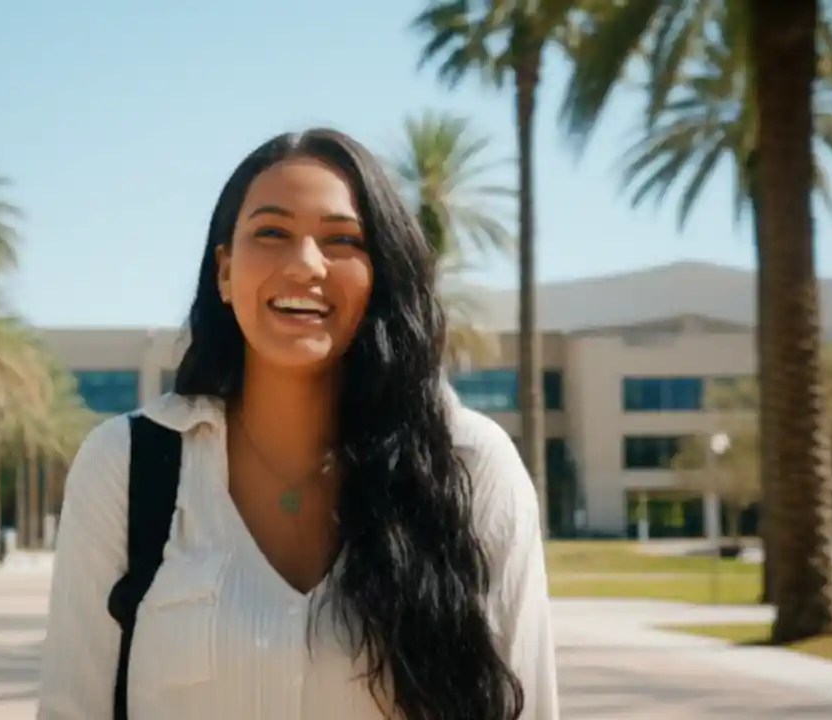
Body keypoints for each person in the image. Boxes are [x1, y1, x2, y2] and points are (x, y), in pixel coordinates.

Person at [37, 128, 558, 720]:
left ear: (380, 275)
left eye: (342, 240)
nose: (305, 264)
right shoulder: (126, 467)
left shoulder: (471, 466)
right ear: (225, 273)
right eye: (272, 233)